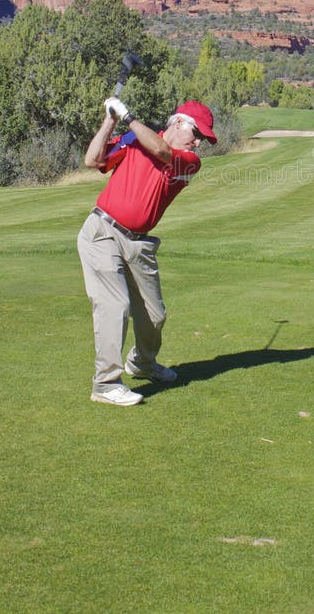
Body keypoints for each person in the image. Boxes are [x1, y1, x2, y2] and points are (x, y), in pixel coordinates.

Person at [77, 96, 217, 406]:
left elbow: (161, 150)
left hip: (140, 243)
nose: (199, 143)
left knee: (155, 315)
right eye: (197, 134)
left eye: (204, 138)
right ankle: (106, 383)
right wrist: (111, 121)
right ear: (179, 122)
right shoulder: (133, 140)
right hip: (102, 232)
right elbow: (93, 160)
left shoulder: (189, 161)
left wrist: (128, 115)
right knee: (115, 304)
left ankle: (142, 363)